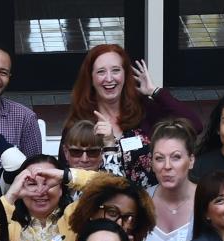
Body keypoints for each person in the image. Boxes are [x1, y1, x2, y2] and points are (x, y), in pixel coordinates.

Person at [64, 44, 205, 189]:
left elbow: (195, 125)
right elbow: (66, 172)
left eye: (116, 70)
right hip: (101, 207)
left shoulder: (143, 109)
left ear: (125, 74)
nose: (109, 78)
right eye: (101, 72)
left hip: (150, 203)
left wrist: (155, 92)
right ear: (91, 78)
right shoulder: (80, 121)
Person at [141, 120, 198, 241]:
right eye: (159, 158)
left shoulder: (206, 201)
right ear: (152, 163)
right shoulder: (140, 203)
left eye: (176, 157)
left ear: (191, 161)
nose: (167, 166)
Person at [6, 155, 74, 241]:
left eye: (49, 184)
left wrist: (67, 175)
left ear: (62, 188)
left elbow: (112, 186)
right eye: (32, 184)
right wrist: (11, 195)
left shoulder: (75, 218)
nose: (40, 191)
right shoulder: (9, 224)